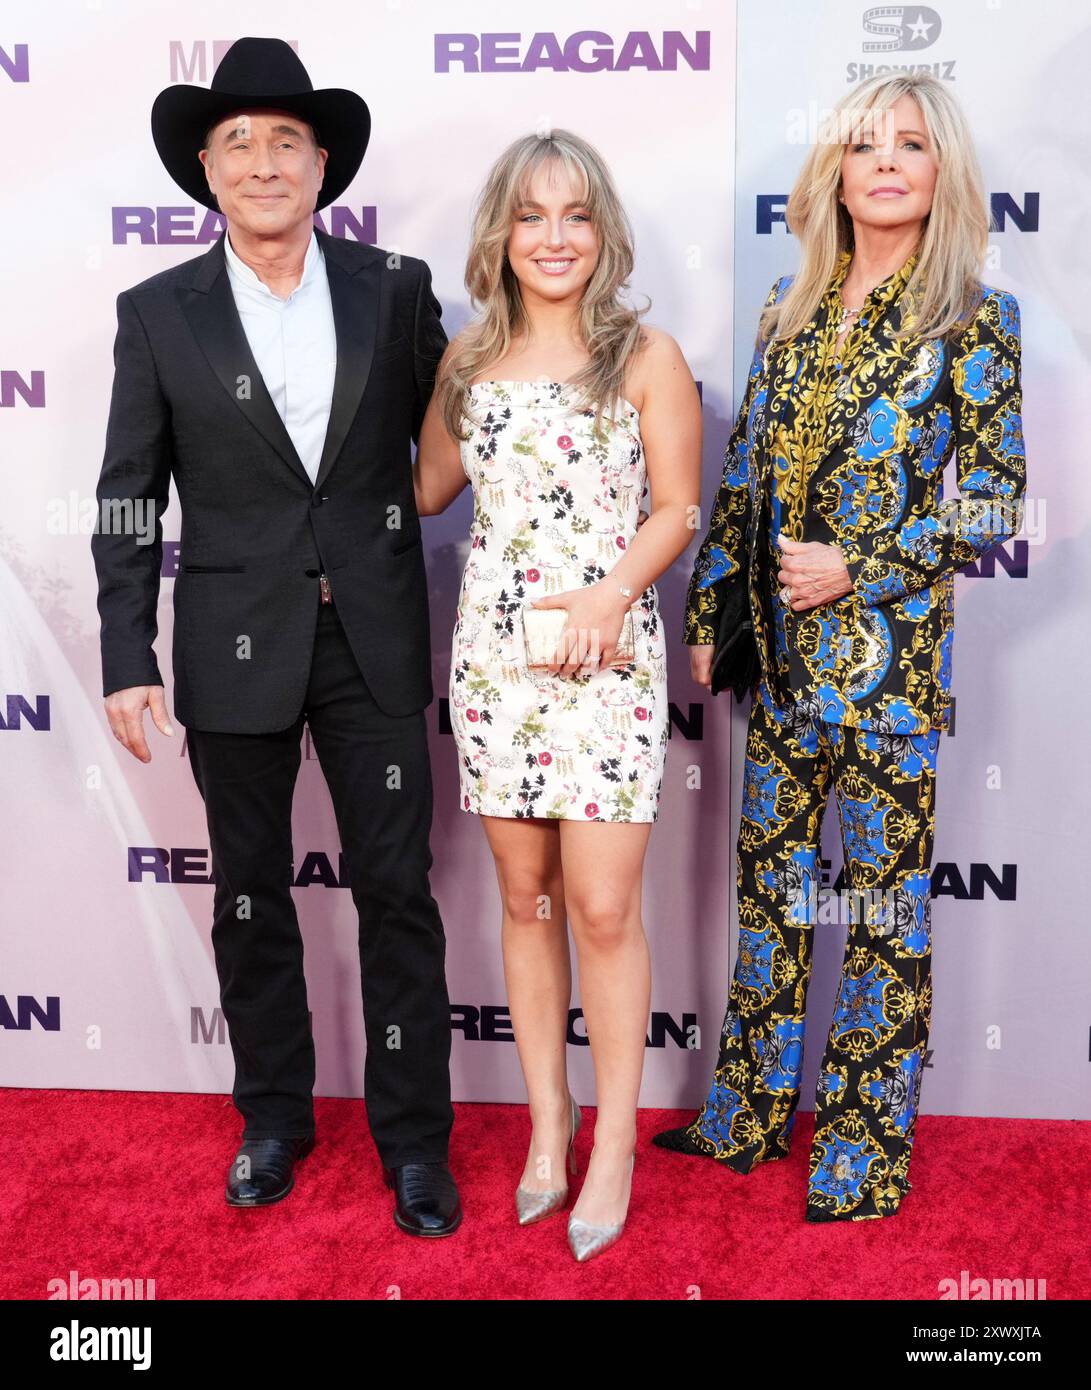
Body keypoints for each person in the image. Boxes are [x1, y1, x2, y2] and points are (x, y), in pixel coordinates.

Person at [91, 36, 461, 1236]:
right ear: (205, 166)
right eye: (239, 141)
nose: (263, 162)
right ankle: (274, 1119)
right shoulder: (155, 313)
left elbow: (461, 440)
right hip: (229, 645)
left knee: (395, 893)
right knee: (250, 894)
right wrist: (122, 653)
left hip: (374, 639)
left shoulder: (397, 289)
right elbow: (127, 495)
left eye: (286, 141)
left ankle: (415, 1143)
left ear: (321, 166)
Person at [654, 72, 1026, 1221]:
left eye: (908, 144)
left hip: (889, 678)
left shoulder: (970, 313)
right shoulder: (787, 306)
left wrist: (860, 564)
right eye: (863, 143)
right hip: (777, 668)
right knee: (765, 896)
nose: (883, 162)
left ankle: (859, 1157)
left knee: (876, 912)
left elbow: (996, 502)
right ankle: (747, 1114)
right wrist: (712, 612)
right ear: (833, 171)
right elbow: (745, 480)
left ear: (938, 170)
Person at [413, 130, 701, 1259]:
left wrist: (606, 593)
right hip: (493, 665)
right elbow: (426, 490)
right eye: (530, 216)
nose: (552, 237)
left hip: (605, 662)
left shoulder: (643, 354)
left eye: (573, 215)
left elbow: (677, 505)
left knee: (600, 909)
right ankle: (548, 1124)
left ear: (602, 232)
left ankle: (618, 1136)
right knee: (521, 898)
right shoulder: (465, 365)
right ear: (499, 231)